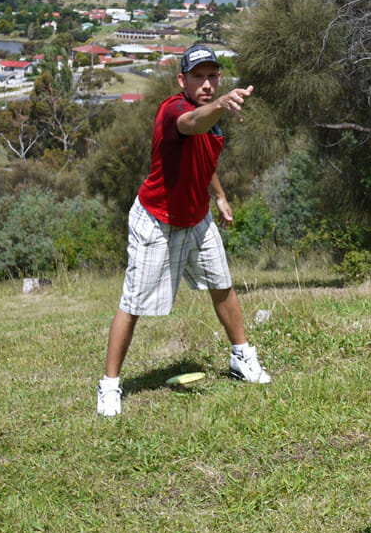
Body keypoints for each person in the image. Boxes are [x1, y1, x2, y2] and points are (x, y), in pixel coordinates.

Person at [97, 44, 270, 417]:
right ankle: (109, 386)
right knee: (133, 304)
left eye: (212, 76)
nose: (206, 84)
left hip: (198, 219)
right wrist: (220, 104)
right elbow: (193, 125)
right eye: (198, 77)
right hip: (157, 221)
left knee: (222, 285)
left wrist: (220, 197)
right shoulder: (174, 110)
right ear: (182, 80)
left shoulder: (214, 119)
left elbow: (203, 160)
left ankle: (242, 357)